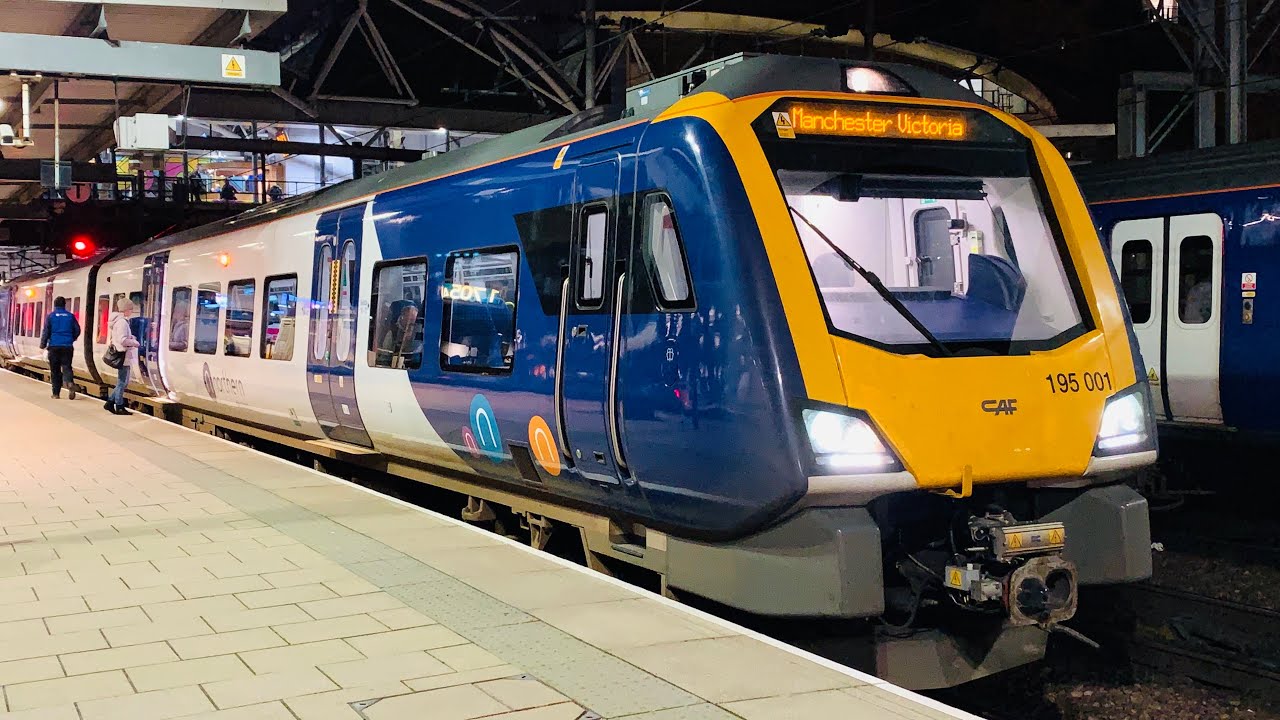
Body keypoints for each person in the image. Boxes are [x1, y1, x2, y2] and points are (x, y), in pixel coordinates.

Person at [40, 296, 81, 399]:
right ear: (64, 305)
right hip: (67, 346)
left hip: (54, 346)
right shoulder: (70, 316)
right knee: (67, 366)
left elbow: (46, 331)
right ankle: (70, 383)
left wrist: (43, 344)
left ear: (55, 305)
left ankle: (56, 393)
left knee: (55, 370)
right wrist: (72, 338)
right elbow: (77, 330)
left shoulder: (51, 316)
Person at [106, 297, 140, 416]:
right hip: (123, 355)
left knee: (122, 381)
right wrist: (135, 343)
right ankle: (119, 405)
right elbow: (122, 340)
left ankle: (110, 402)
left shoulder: (118, 322)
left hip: (122, 354)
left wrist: (131, 338)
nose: (131, 311)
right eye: (130, 309)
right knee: (122, 382)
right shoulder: (122, 322)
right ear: (125, 310)